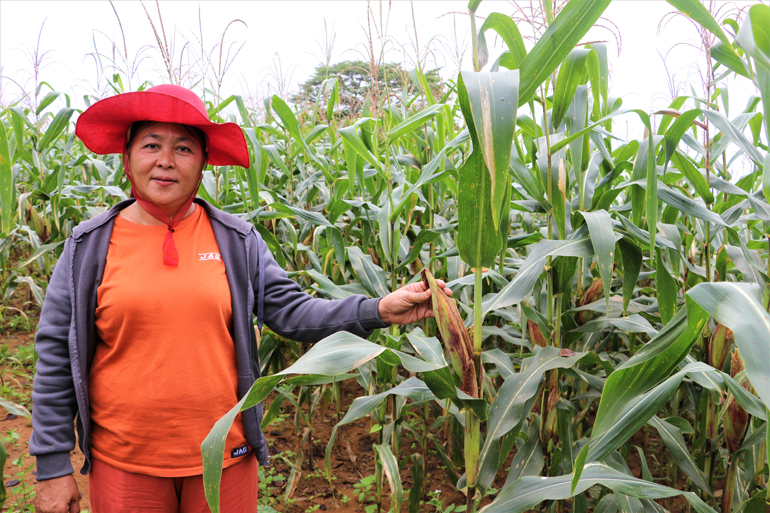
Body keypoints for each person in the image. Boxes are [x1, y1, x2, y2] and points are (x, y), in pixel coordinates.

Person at [30, 84, 452, 513]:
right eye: (151, 145)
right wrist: (51, 467)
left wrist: (378, 309)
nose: (165, 160)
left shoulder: (236, 240)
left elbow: (294, 313)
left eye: (184, 149)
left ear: (203, 164)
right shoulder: (88, 247)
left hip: (223, 458)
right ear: (127, 157)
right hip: (123, 464)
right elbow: (54, 357)